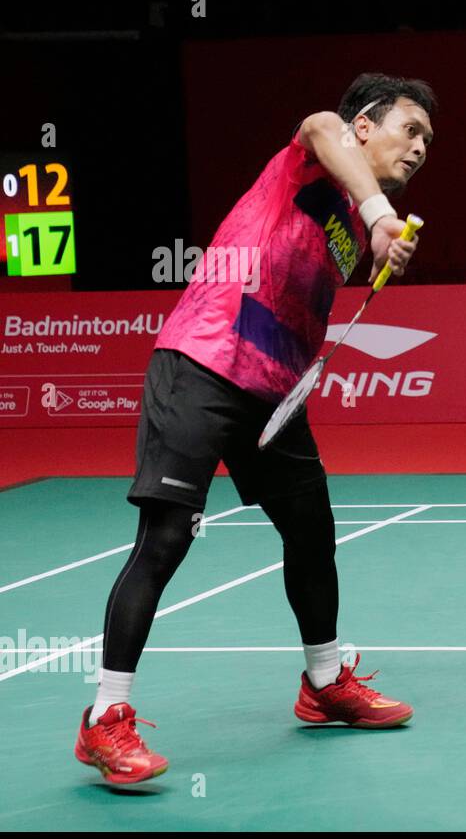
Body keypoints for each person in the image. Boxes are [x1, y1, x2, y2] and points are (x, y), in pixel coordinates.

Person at [75, 73, 434, 784]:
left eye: (429, 141)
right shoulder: (316, 148)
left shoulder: (350, 224)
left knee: (312, 530)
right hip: (204, 361)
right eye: (410, 130)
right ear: (364, 125)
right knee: (167, 537)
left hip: (274, 391)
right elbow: (319, 127)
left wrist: (378, 247)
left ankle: (324, 681)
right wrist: (379, 213)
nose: (421, 148)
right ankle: (103, 719)